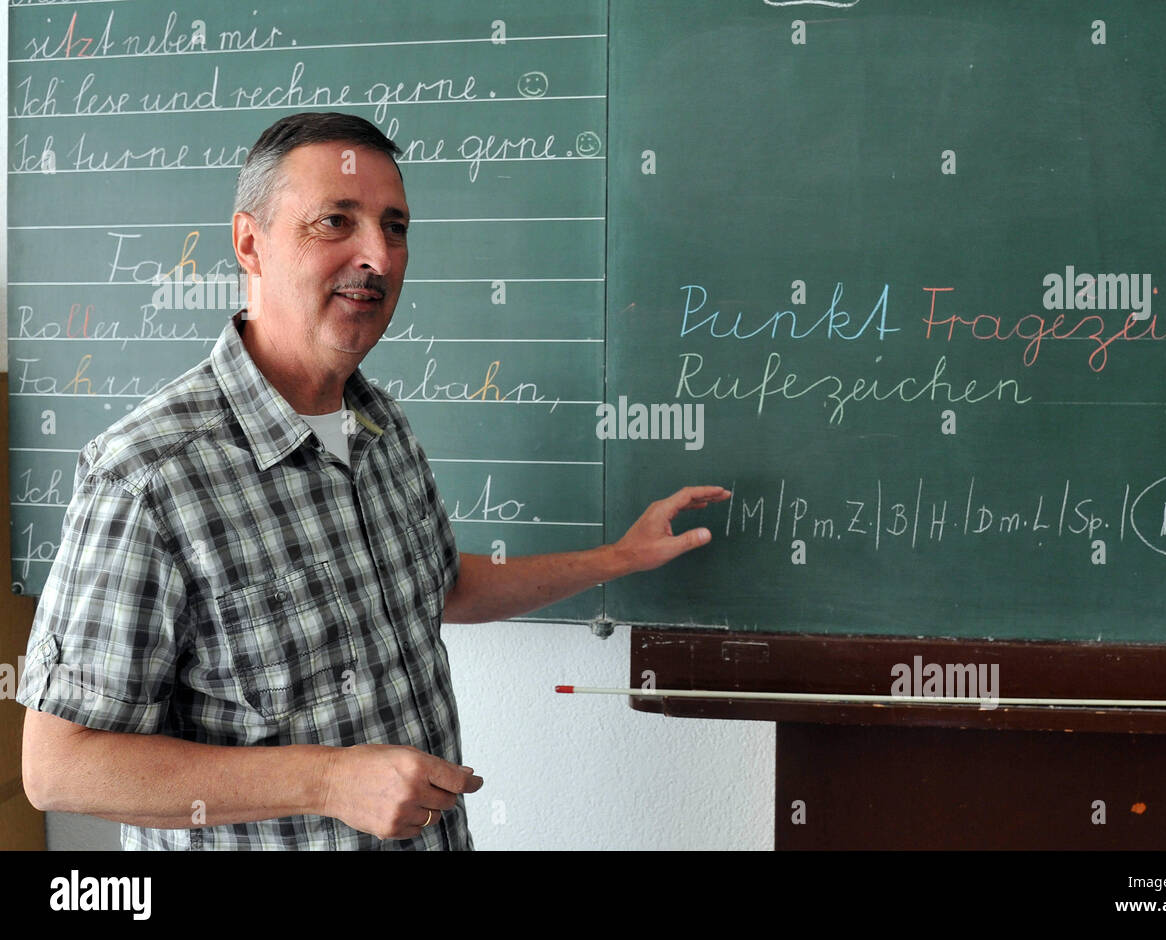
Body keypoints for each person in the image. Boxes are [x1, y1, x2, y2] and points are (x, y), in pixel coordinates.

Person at [17, 112, 729, 850]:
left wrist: (623, 557)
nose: (379, 257)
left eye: (395, 227)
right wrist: (325, 780)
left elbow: (444, 587)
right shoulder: (147, 475)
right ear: (250, 243)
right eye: (336, 221)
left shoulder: (379, 425)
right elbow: (61, 766)